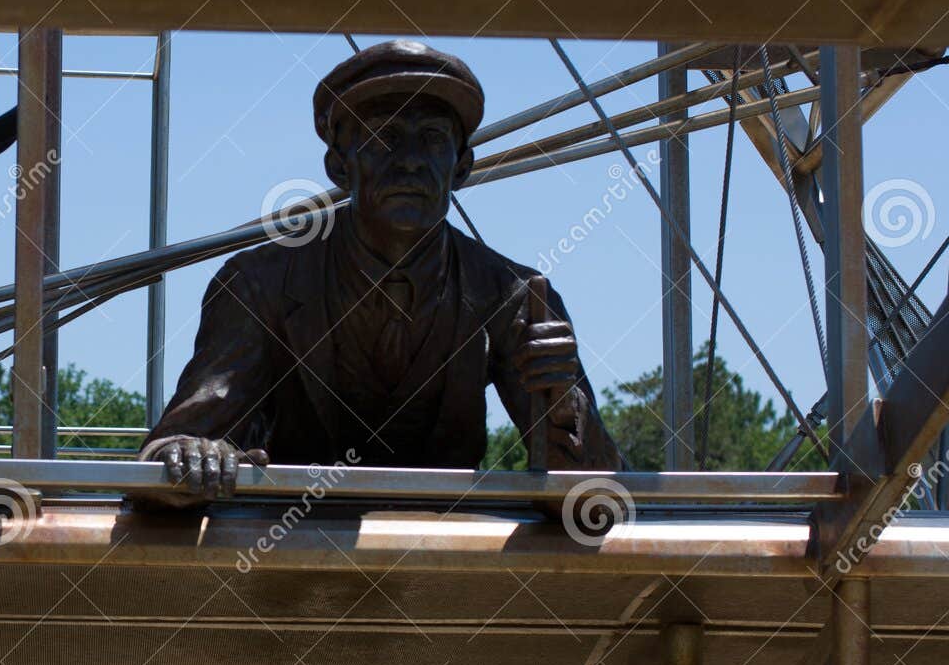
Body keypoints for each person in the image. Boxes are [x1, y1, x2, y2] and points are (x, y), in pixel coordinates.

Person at [140, 41, 618, 503]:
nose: (409, 160)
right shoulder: (259, 284)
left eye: (431, 139)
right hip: (286, 558)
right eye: (382, 137)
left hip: (449, 565)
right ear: (338, 167)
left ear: (462, 166)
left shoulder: (514, 297)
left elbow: (592, 503)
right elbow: (173, 454)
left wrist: (561, 407)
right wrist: (192, 458)